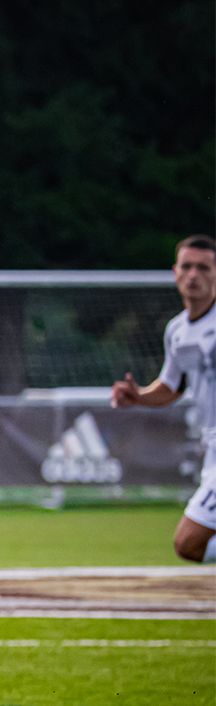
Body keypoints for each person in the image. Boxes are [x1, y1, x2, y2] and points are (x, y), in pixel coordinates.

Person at [110, 234, 216, 563]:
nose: (194, 275)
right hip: (212, 447)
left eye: (204, 267)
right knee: (191, 546)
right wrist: (138, 396)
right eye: (187, 266)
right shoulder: (177, 331)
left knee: (189, 542)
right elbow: (171, 386)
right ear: (175, 272)